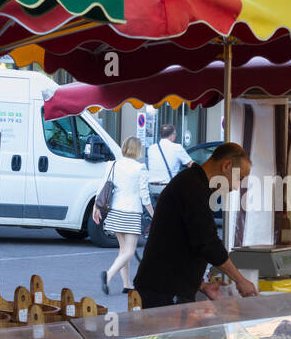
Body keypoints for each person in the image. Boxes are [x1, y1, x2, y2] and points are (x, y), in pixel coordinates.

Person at [134, 142, 259, 307]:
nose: (236, 187)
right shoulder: (192, 187)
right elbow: (207, 242)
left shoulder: (193, 183)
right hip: (163, 292)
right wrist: (240, 280)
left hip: (167, 287)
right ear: (227, 165)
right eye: (239, 178)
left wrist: (201, 285)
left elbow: (180, 243)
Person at [96, 137, 155, 296]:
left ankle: (127, 284)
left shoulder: (113, 164)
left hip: (115, 210)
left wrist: (96, 206)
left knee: (123, 250)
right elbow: (144, 195)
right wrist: (154, 215)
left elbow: (103, 185)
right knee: (129, 251)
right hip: (132, 212)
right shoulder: (140, 168)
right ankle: (108, 275)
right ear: (137, 150)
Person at [147, 124, 193, 202]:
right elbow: (191, 165)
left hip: (152, 188)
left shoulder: (151, 148)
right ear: (171, 135)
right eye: (175, 134)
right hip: (168, 188)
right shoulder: (177, 147)